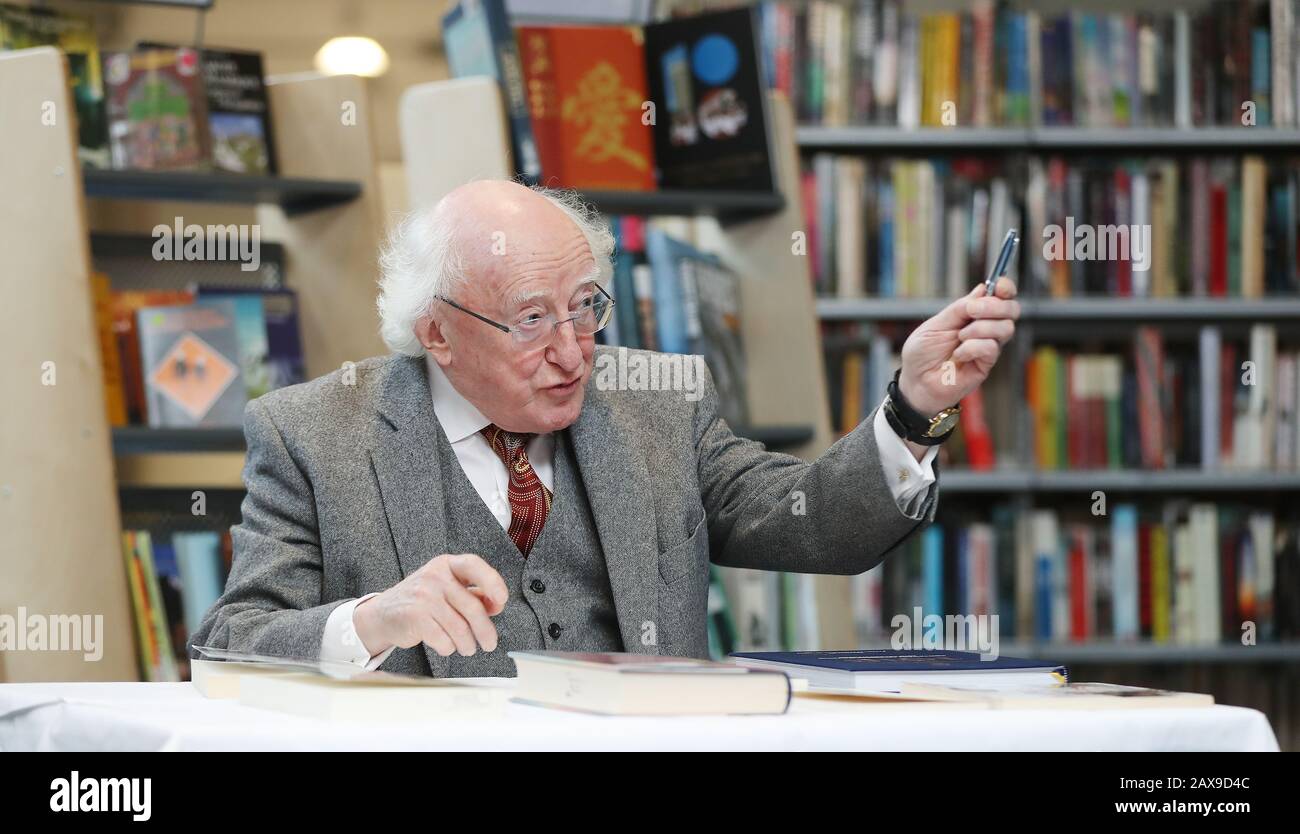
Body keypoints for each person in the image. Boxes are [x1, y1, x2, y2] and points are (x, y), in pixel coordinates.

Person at [190, 180, 1020, 677]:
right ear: (436, 330)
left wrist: (912, 408)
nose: (572, 352)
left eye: (586, 308)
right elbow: (233, 643)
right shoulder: (311, 434)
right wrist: (373, 619)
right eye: (531, 319)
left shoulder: (655, 406)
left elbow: (817, 524)